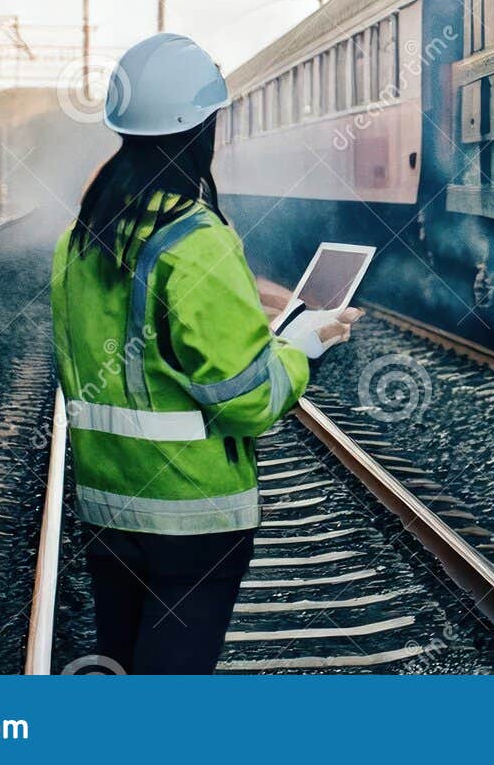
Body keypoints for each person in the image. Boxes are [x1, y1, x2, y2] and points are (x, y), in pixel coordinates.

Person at [50, 33, 359, 674]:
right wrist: (302, 346)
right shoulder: (197, 240)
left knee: (124, 677)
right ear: (202, 128)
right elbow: (247, 401)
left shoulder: (80, 241)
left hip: (107, 508)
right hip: (193, 522)